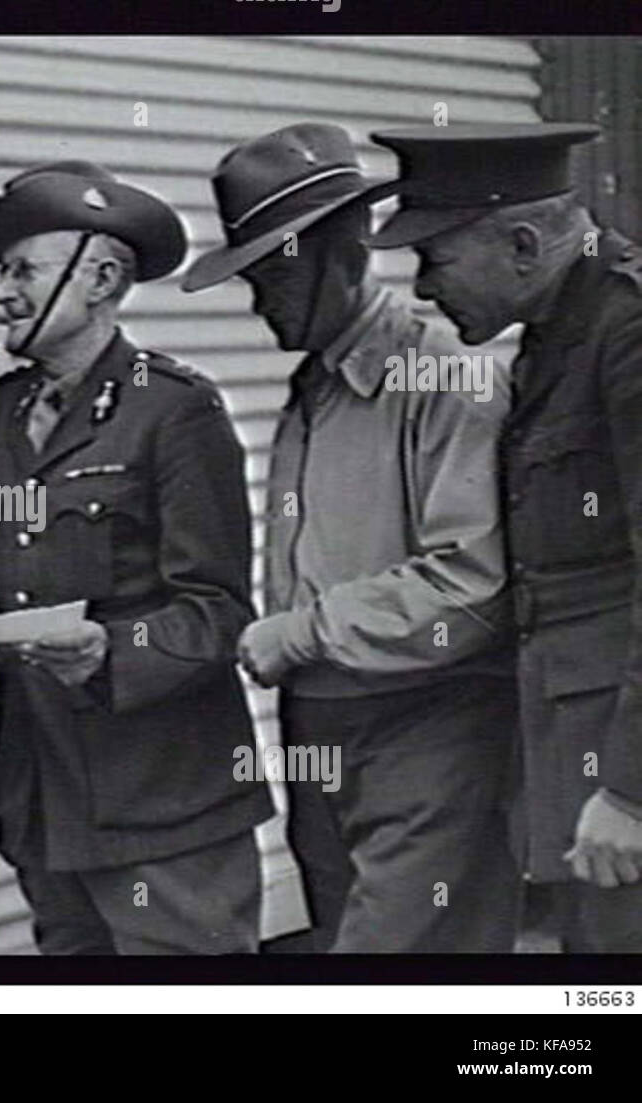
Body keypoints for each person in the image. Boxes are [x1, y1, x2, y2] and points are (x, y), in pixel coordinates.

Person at [183, 123, 519, 952]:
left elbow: (471, 583)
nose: (259, 303)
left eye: (274, 275)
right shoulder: (317, 383)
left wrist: (299, 632)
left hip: (429, 726)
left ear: (344, 249)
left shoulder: (446, 376)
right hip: (321, 726)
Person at [0, 160, 271, 955]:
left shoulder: (175, 410)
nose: (1, 292)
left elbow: (216, 611)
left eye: (22, 271)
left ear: (102, 279)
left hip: (162, 803)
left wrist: (108, 652)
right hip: (42, 793)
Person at [368, 122, 642, 950]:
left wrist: (629, 789)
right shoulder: (558, 332)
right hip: (574, 751)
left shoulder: (626, 332)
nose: (423, 289)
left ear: (522, 244)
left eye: (435, 259)